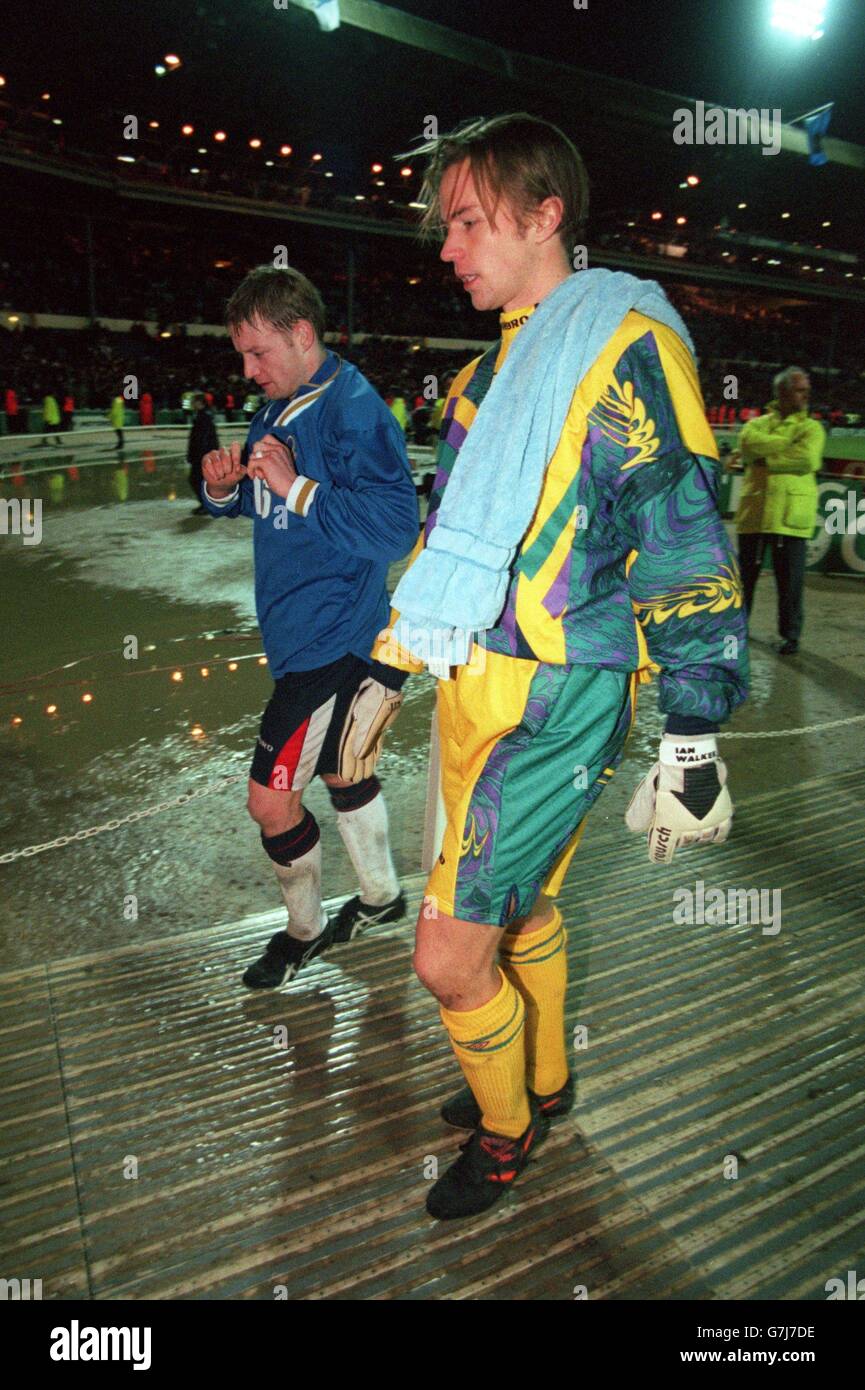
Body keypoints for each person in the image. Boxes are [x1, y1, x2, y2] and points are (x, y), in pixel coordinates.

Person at [372, 113, 749, 1220]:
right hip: (472, 684)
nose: (449, 250)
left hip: (559, 691)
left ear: (546, 217)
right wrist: (389, 664)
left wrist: (690, 739)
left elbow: (681, 539)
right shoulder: (490, 375)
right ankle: (541, 1075)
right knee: (518, 912)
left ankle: (506, 1132)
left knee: (446, 957)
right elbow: (452, 549)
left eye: (470, 222)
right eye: (447, 226)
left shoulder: (623, 350)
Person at [200, 264, 419, 989]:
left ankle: (306, 929)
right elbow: (263, 506)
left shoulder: (354, 411)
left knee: (268, 800)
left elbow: (394, 529)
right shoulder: (278, 404)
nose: (247, 369)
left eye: (258, 352)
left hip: (331, 641)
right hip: (302, 633)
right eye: (240, 354)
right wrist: (223, 488)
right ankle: (384, 899)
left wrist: (295, 486)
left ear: (301, 334)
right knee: (341, 770)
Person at [734, 367, 824, 655]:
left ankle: (791, 636)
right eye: (799, 389)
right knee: (743, 579)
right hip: (756, 513)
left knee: (790, 584)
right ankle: (736, 628)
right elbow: (747, 445)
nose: (806, 394)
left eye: (806, 389)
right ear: (782, 392)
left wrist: (764, 459)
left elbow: (807, 459)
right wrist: (785, 445)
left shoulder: (812, 428)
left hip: (789, 517)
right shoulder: (756, 425)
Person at [186, 392, 218, 514]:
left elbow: (203, 440)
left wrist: (201, 456)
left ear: (200, 403)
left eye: (194, 401)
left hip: (202, 456)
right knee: (197, 480)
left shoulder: (204, 417)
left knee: (197, 480)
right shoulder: (202, 416)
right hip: (201, 455)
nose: (192, 404)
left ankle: (206, 505)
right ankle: (205, 504)